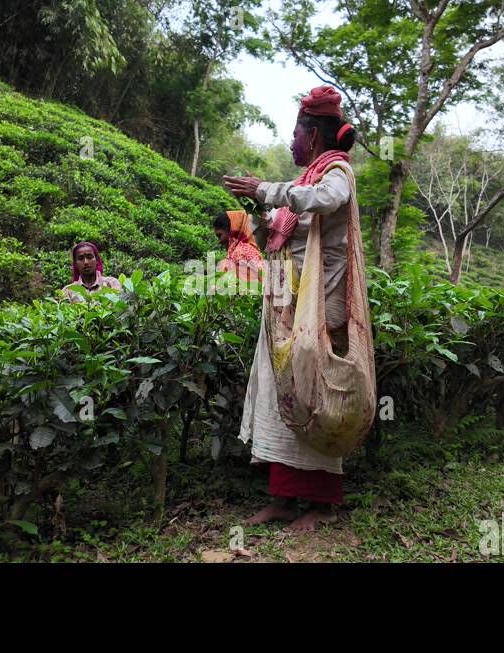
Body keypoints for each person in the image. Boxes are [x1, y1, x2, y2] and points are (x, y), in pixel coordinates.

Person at [222, 85, 362, 532]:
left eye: (295, 133)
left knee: (316, 394)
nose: (291, 142)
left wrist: (267, 190)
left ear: (314, 136)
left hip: (318, 310)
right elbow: (284, 237)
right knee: (281, 392)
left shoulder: (336, 171)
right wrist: (264, 213)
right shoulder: (302, 181)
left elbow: (329, 200)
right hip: (286, 306)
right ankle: (282, 498)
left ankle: (322, 504)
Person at [213, 210, 264, 285]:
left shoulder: (242, 251)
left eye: (220, 235)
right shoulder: (240, 250)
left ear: (231, 230)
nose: (219, 241)